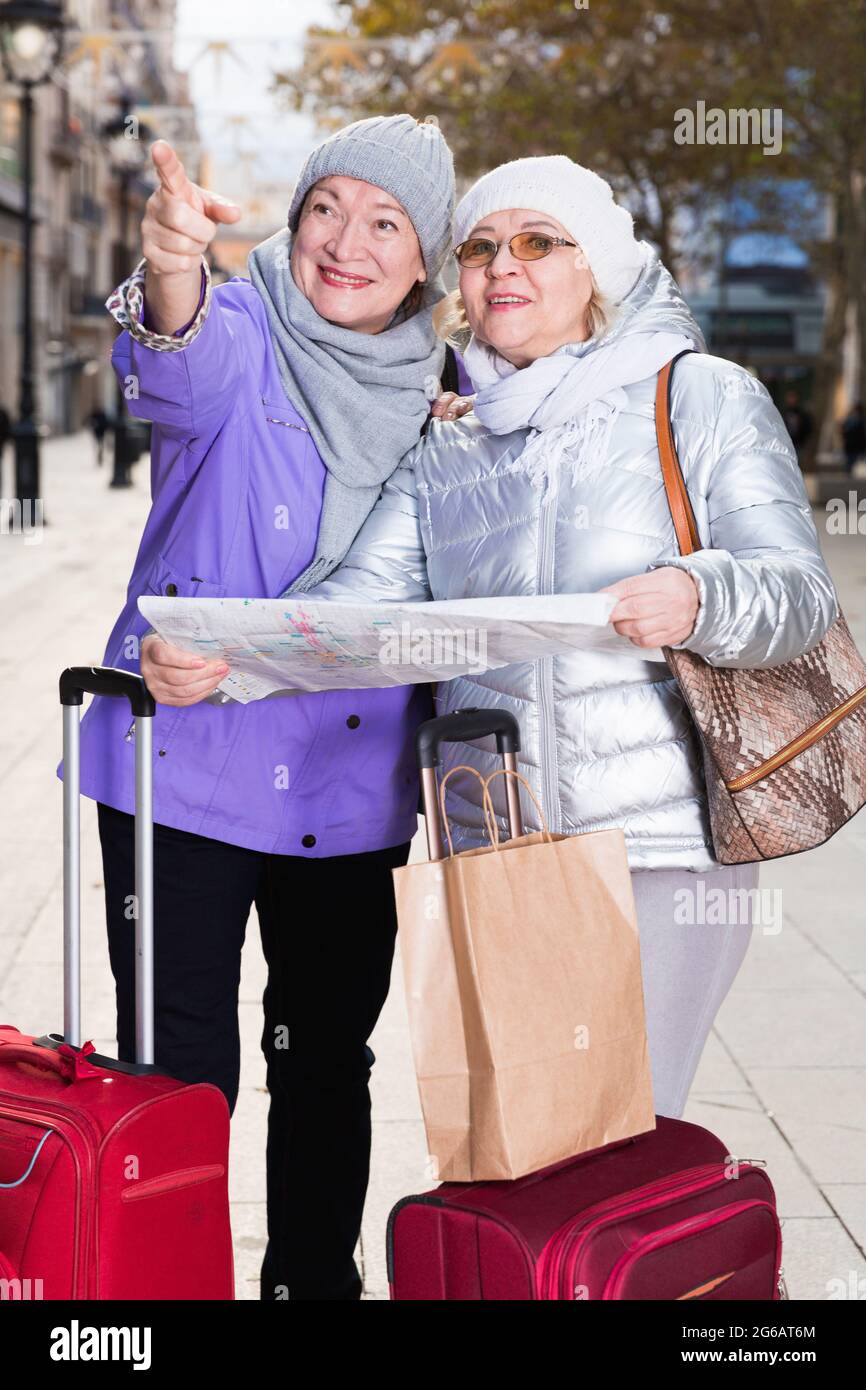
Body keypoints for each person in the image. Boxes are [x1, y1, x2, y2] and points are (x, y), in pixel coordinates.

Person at [299, 155, 839, 1125]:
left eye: (537, 242)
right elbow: (359, 617)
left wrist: (697, 591)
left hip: (657, 836)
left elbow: (796, 591)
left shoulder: (698, 395)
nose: (502, 265)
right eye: (478, 247)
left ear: (594, 267)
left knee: (622, 1134)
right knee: (518, 1147)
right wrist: (229, 655)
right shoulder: (447, 443)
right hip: (495, 838)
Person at [57, 115, 457, 1301]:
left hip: (351, 787)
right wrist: (174, 261)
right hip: (183, 767)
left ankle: (307, 1287)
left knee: (326, 1062)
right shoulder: (242, 324)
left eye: (386, 222)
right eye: (328, 206)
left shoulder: (447, 396)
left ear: (424, 258)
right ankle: (164, 1289)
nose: (347, 242)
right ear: (292, 217)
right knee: (180, 1069)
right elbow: (172, 360)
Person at [781, 389, 813, 468]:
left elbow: (808, 428)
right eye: (790, 397)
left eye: (793, 397)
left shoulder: (802, 414)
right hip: (786, 443)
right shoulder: (784, 413)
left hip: (799, 443)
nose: (792, 400)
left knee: (797, 463)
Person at [841, 402, 865, 475]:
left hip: (850, 445)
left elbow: (843, 430)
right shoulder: (858, 420)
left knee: (850, 462)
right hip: (854, 446)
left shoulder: (851, 419)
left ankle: (848, 474)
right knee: (851, 462)